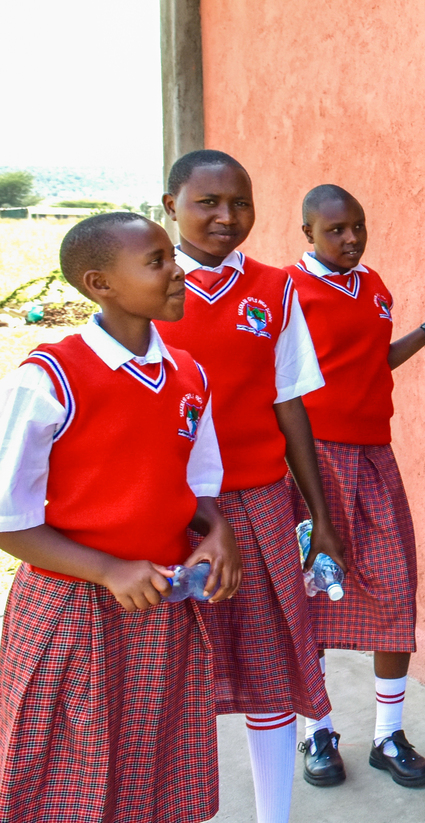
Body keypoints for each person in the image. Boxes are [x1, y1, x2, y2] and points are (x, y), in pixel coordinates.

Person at [0, 211, 241, 822]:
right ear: (99, 283)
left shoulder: (189, 375)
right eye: (156, 261)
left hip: (159, 606)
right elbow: (7, 518)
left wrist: (216, 531)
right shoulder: (50, 377)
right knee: (66, 779)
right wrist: (107, 568)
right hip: (73, 610)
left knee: (153, 765)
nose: (176, 271)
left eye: (172, 257)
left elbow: (196, 485)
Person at [157, 151, 344, 823]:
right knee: (174, 676)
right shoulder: (147, 290)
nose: (225, 216)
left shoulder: (276, 289)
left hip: (261, 501)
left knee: (268, 670)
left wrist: (320, 514)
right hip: (169, 513)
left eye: (240, 202)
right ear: (171, 203)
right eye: (207, 201)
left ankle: (274, 816)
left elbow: (290, 405)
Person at [285, 184, 425, 789]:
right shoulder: (289, 292)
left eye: (358, 226)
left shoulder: (373, 285)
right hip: (311, 462)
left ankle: (388, 734)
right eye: (334, 231)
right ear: (308, 235)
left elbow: (375, 360)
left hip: (374, 457)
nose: (350, 238)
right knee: (310, 593)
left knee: (395, 585)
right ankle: (316, 731)